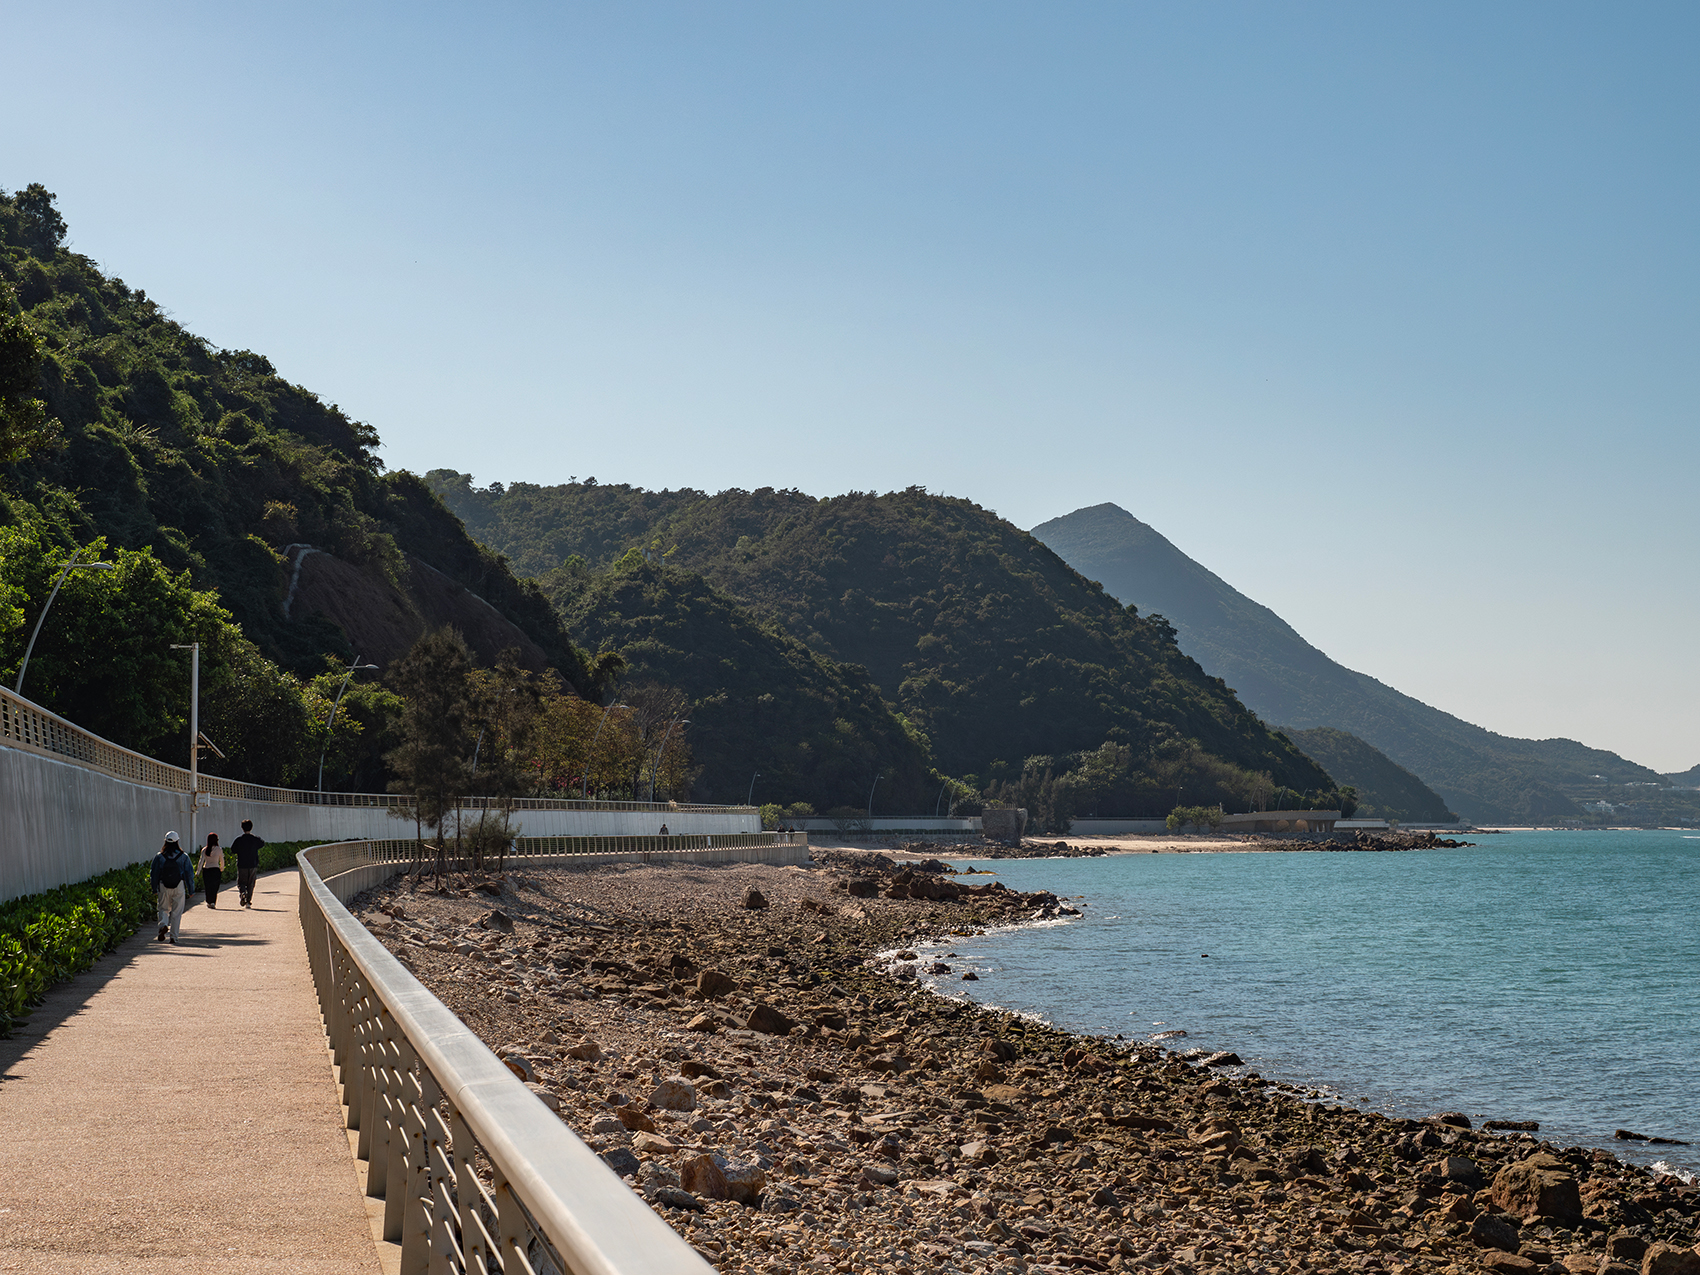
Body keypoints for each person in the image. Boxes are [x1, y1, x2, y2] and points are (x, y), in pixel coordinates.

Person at [151, 832, 193, 944]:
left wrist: (154, 888)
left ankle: (163, 925)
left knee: (163, 908)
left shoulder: (159, 856)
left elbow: (154, 873)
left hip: (163, 885)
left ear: (165, 841)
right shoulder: (184, 857)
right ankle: (174, 936)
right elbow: (189, 874)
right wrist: (191, 890)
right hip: (178, 885)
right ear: (177, 841)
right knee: (176, 912)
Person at [230, 819, 264, 908]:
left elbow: (233, 850)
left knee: (241, 881)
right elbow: (262, 843)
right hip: (253, 864)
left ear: (242, 828)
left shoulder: (239, 840)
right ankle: (248, 901)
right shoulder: (255, 839)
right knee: (251, 882)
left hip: (242, 864)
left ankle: (243, 892)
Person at [198, 832, 224, 909]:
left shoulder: (204, 850)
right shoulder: (219, 849)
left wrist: (198, 871)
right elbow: (221, 860)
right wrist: (221, 868)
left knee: (208, 886)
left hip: (206, 870)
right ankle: (213, 902)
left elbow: (201, 861)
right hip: (216, 870)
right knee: (215, 887)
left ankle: (208, 901)